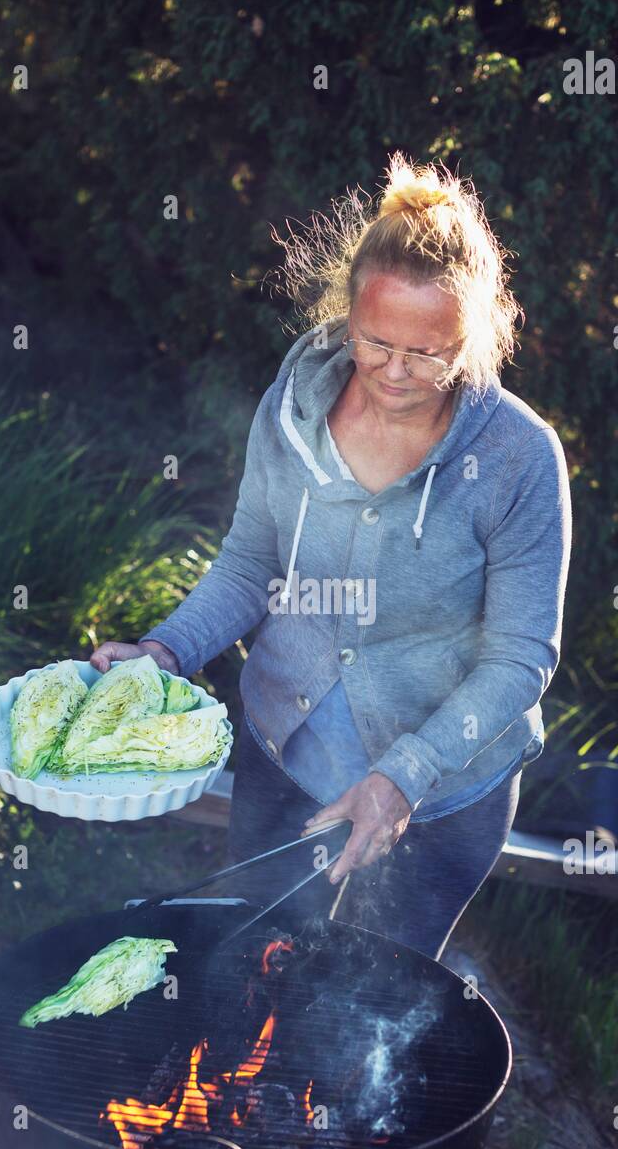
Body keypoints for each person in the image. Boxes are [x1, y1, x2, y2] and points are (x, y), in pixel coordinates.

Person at [89, 152, 572, 962]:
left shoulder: (521, 458)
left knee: (367, 1009)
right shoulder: (293, 406)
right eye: (375, 341)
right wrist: (162, 650)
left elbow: (520, 657)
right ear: (346, 313)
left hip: (444, 790)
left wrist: (402, 776)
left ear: (477, 337)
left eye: (429, 354)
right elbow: (251, 565)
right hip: (287, 751)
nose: (395, 372)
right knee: (253, 971)